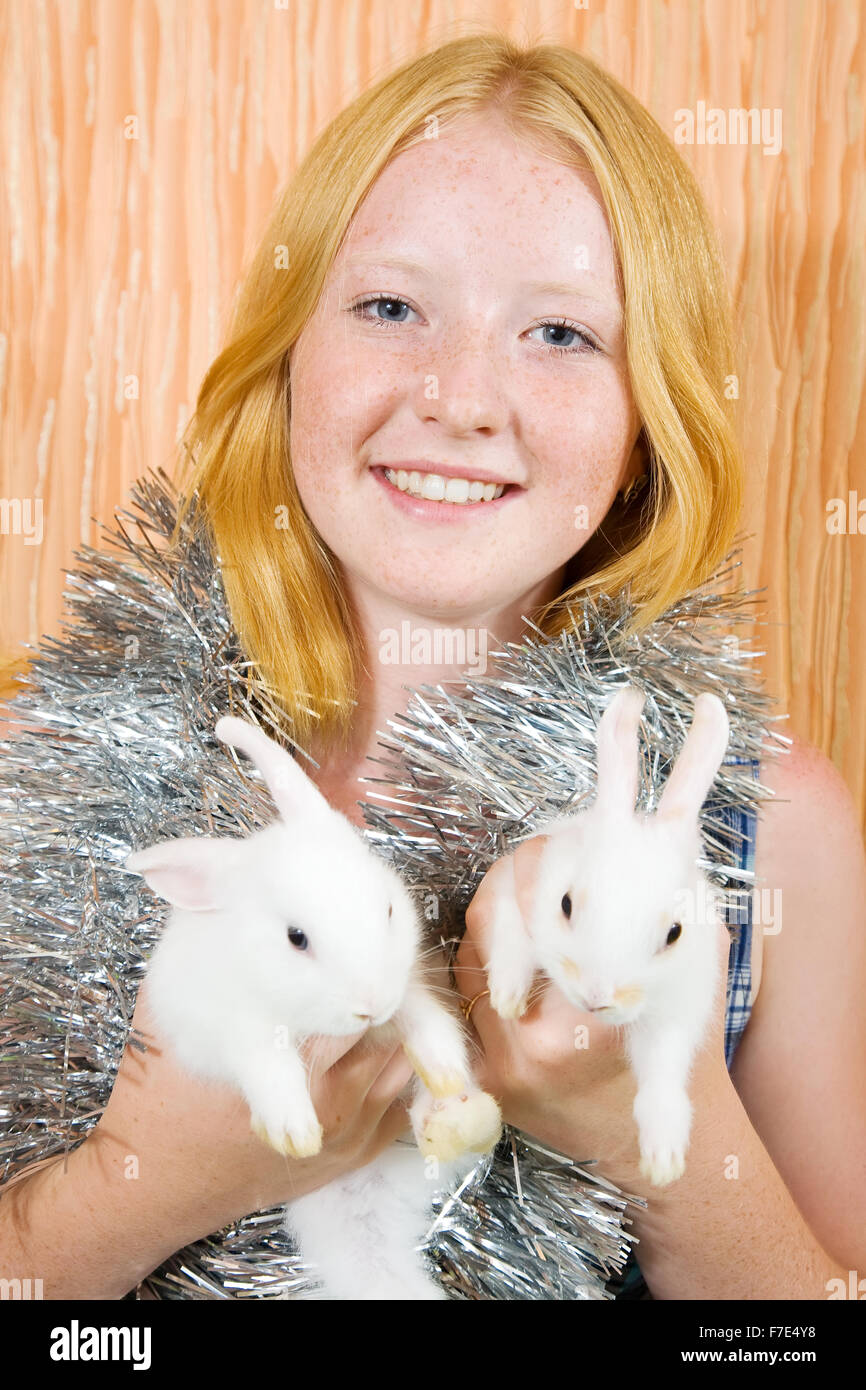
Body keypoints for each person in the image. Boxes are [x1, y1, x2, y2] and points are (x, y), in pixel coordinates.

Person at [1, 32, 864, 1301]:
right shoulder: (48, 773)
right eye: (390, 307)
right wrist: (140, 1185)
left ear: (645, 421)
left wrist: (650, 1137)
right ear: (291, 354)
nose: (461, 397)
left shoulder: (769, 827)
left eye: (560, 332)